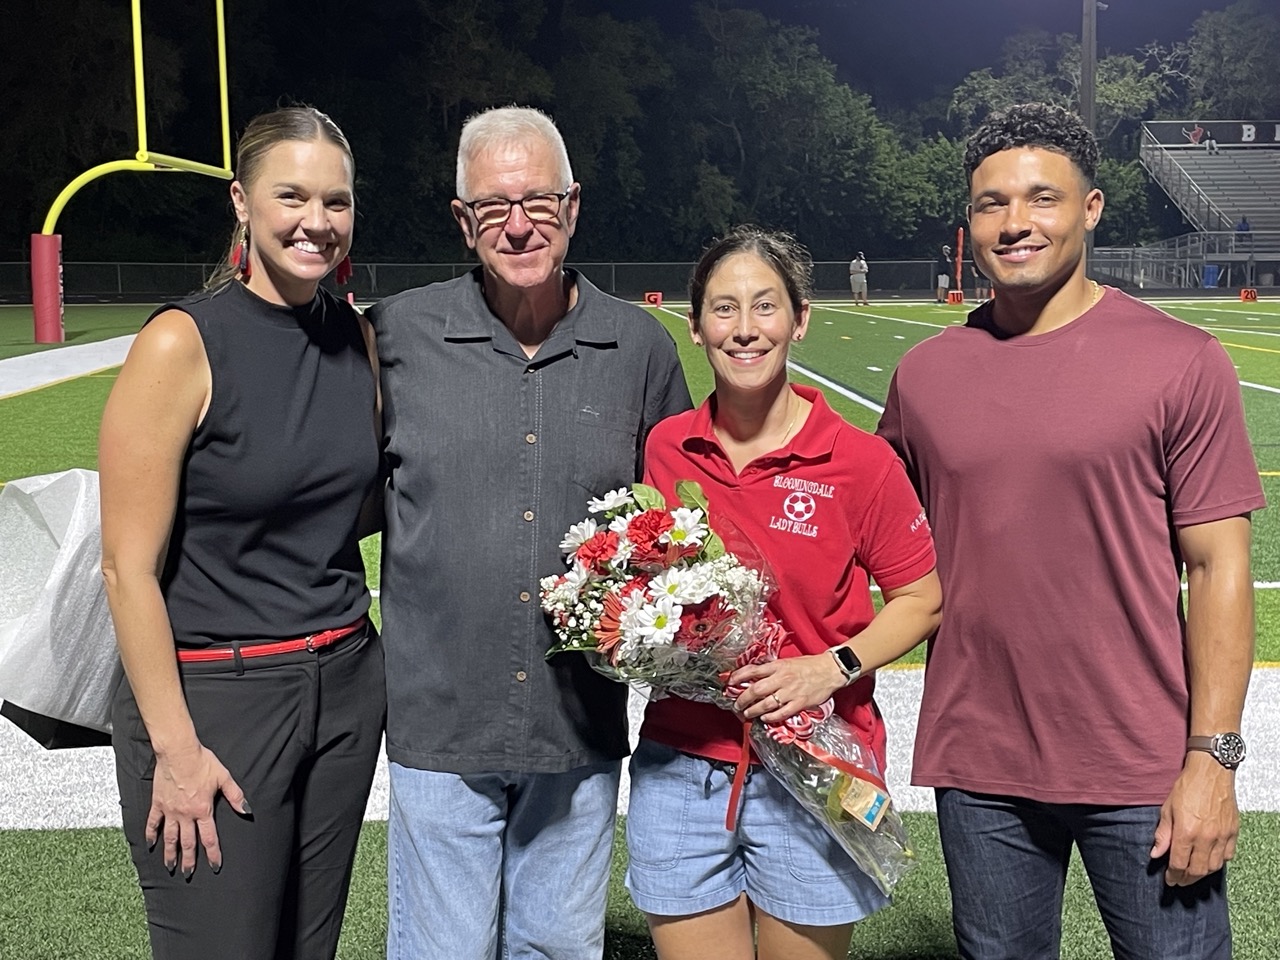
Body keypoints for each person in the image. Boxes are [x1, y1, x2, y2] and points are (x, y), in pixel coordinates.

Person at [878, 102, 1263, 960]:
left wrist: (1215, 758)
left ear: (1090, 209)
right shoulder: (926, 374)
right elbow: (872, 536)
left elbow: (1219, 565)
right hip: (980, 762)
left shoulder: (1182, 360)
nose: (1016, 224)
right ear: (968, 222)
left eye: (1042, 198)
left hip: (1145, 759)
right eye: (992, 205)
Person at [369, 105, 692, 960]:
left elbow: (684, 529)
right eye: (492, 208)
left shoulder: (640, 346)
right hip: (440, 716)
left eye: (539, 204)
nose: (518, 226)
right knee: (443, 950)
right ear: (461, 220)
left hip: (576, 722)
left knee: (556, 948)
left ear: (574, 207)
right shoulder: (395, 336)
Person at [100, 106, 385, 960]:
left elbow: (356, 507)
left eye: (336, 201)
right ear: (242, 202)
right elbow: (126, 569)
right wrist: (175, 749)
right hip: (217, 699)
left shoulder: (356, 336)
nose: (317, 221)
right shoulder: (181, 342)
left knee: (310, 949)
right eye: (291, 195)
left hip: (344, 683)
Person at [627, 225, 942, 960]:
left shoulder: (860, 460)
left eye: (765, 307)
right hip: (684, 765)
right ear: (696, 324)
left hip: (817, 763)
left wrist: (825, 667)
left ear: (799, 319)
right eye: (724, 309)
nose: (745, 329)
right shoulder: (667, 446)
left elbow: (922, 599)